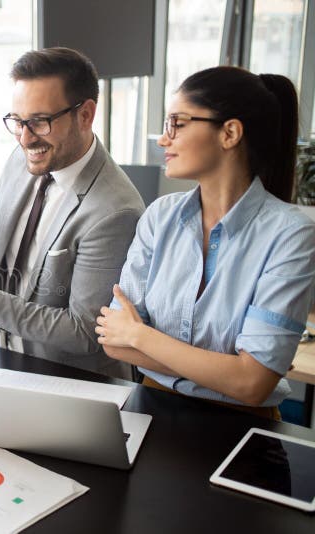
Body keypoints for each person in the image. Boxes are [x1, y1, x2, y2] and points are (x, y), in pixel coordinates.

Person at [0, 47, 144, 379]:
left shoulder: (114, 212)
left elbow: (84, 332)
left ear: (86, 114)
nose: (24, 137)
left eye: (40, 122)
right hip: (10, 360)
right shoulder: (27, 154)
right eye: (17, 121)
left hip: (71, 381)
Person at [95, 66, 315, 419]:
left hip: (241, 429)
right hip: (150, 409)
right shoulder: (159, 216)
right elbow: (113, 341)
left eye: (177, 124)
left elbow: (253, 384)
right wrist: (225, 371)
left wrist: (141, 336)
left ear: (229, 133)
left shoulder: (290, 234)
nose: (163, 139)